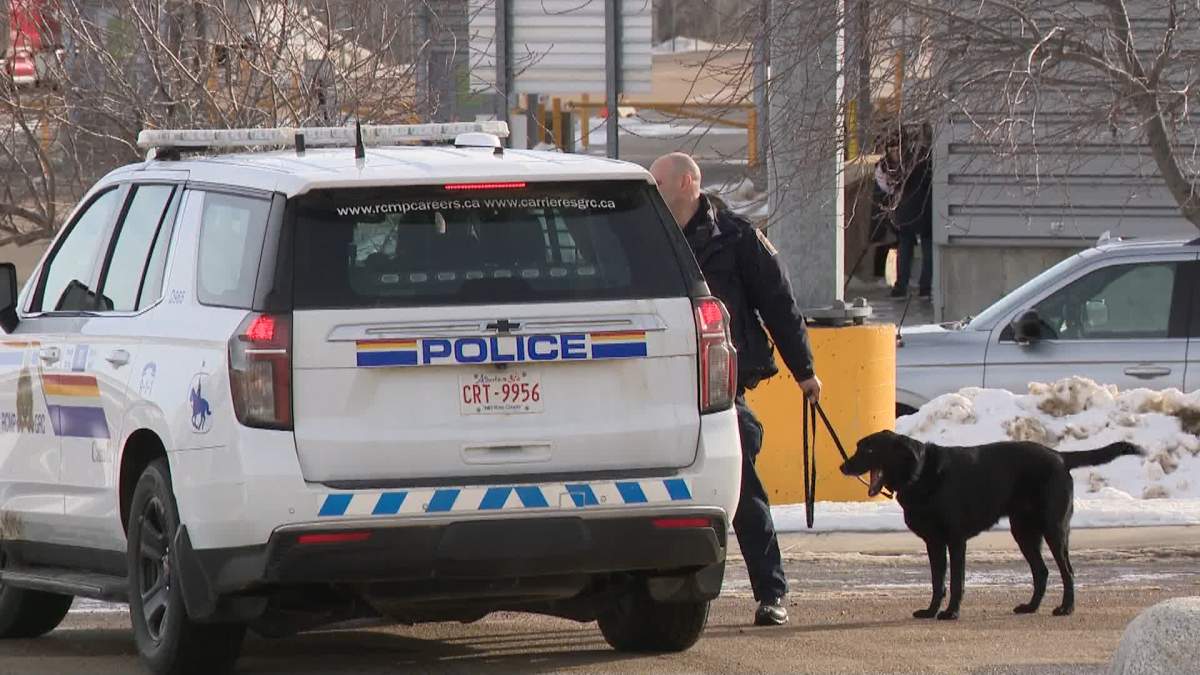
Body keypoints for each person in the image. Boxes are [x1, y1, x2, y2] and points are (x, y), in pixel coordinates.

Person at [649, 152, 822, 627]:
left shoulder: (737, 238)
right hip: (663, 385)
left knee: (743, 490)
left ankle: (771, 592)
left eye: (659, 180)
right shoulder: (650, 237)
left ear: (686, 182)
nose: (653, 187)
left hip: (721, 388)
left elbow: (778, 305)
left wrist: (804, 371)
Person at [890, 131, 933, 299]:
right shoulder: (929, 157)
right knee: (927, 248)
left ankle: (901, 287)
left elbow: (894, 183)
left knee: (905, 247)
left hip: (906, 208)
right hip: (925, 207)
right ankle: (925, 288)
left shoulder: (903, 159)